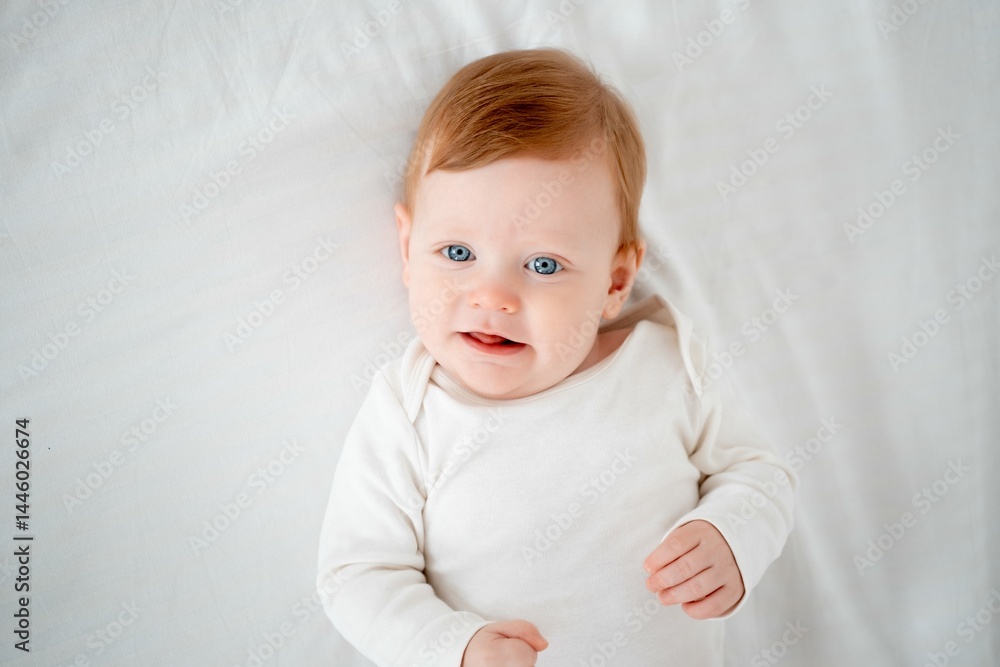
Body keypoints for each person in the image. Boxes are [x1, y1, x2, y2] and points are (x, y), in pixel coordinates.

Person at [317, 47, 796, 666]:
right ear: (408, 248)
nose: (492, 296)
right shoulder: (409, 412)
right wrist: (451, 647)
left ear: (614, 283)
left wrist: (733, 536)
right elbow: (357, 572)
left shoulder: (667, 366)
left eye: (543, 265)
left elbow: (761, 473)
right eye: (457, 253)